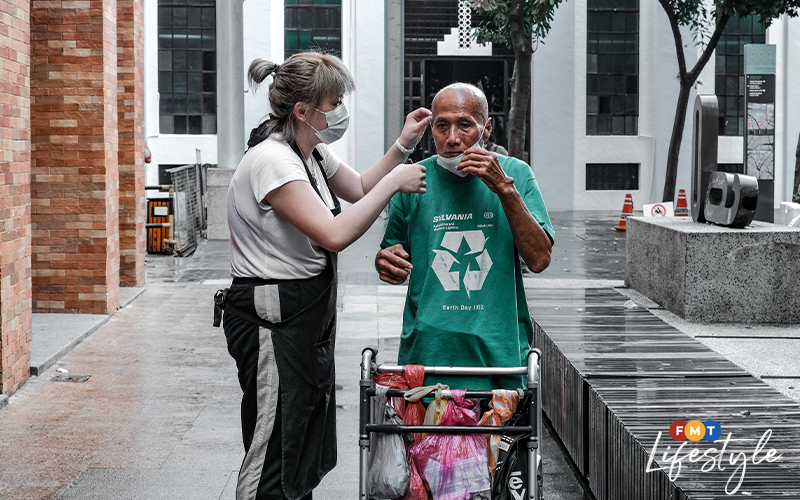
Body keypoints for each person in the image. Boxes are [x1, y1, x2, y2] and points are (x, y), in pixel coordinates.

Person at [218, 51, 431, 500]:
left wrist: (403, 144)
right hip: (271, 319)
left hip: (302, 316)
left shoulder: (309, 152)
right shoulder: (272, 161)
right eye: (334, 103)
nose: (340, 112)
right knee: (274, 446)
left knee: (299, 440)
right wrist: (396, 184)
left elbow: (358, 189)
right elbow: (335, 234)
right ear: (303, 110)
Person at [375, 82, 554, 390]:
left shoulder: (516, 174)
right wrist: (386, 262)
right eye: (441, 126)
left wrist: (504, 189)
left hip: (500, 356)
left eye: (465, 125)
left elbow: (539, 259)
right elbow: (392, 254)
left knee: (500, 439)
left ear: (487, 129)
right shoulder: (411, 180)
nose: (453, 138)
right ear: (430, 129)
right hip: (428, 355)